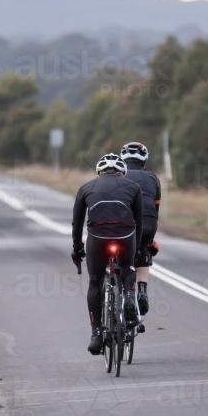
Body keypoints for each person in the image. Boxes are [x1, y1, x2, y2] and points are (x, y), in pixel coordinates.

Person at [71, 154, 143, 355]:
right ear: (122, 173)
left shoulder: (85, 188)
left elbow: (76, 224)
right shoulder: (133, 187)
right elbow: (138, 222)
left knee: (95, 282)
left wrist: (77, 249)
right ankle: (129, 294)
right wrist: (136, 249)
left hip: (97, 237)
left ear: (99, 172)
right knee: (127, 266)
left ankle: (96, 334)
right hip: (125, 234)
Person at [119, 141, 161, 315]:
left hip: (121, 224)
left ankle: (120, 289)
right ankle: (142, 291)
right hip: (148, 224)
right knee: (144, 246)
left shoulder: (116, 177)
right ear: (144, 161)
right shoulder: (153, 179)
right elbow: (155, 210)